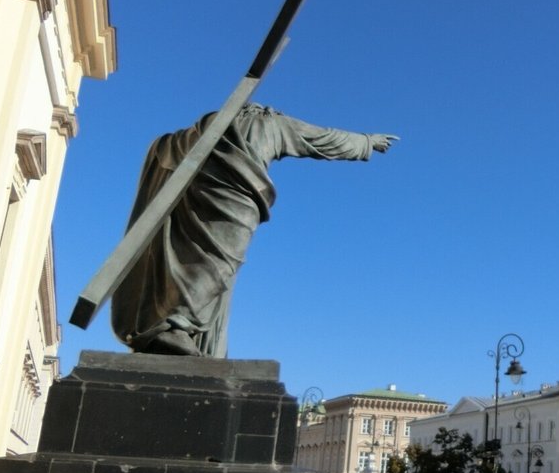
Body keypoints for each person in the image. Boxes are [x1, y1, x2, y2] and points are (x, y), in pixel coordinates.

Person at [111, 104, 397, 356]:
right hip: (225, 200)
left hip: (233, 198)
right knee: (210, 265)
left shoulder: (236, 123)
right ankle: (176, 326)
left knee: (210, 265)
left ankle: (183, 330)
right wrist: (366, 142)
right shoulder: (261, 122)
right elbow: (322, 139)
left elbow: (322, 139)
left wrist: (365, 143)